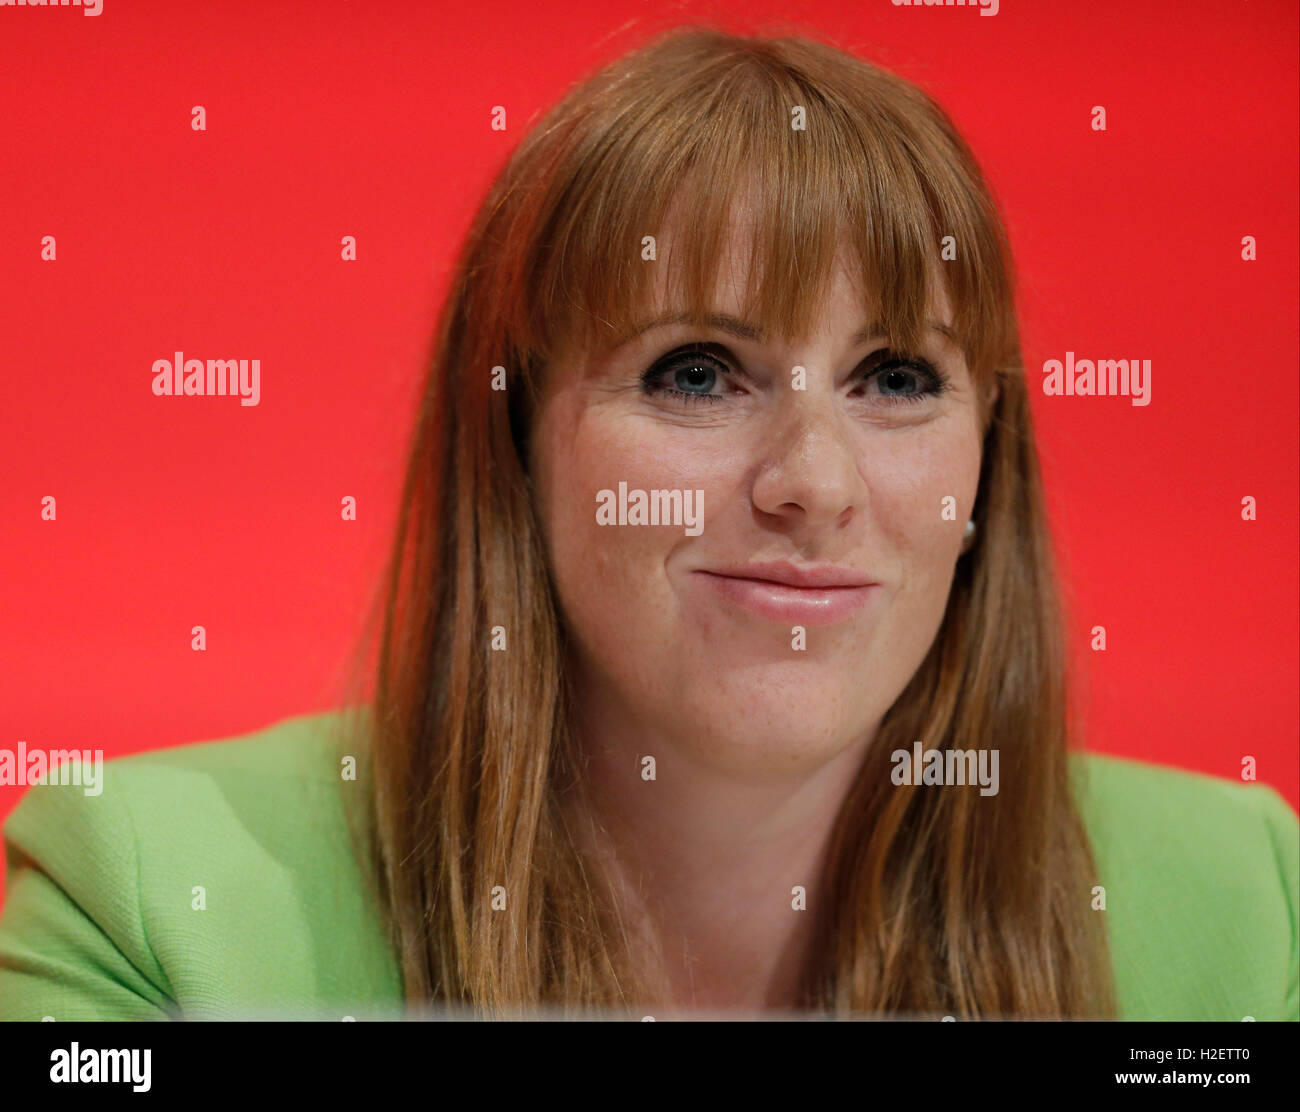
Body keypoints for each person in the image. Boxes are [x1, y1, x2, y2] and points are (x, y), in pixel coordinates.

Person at [1, 25, 1295, 1022]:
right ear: (515, 440)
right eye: (697, 373)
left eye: (897, 378)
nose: (816, 483)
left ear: (986, 465)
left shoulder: (1252, 905)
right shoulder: (156, 906)